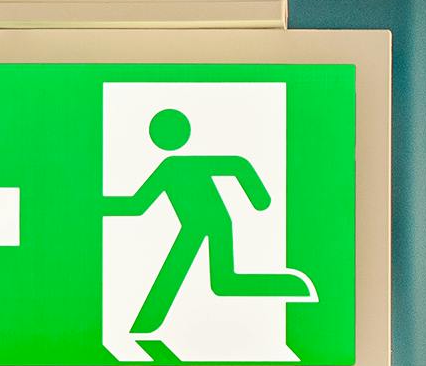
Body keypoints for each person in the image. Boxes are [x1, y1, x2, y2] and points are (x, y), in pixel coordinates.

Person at [102, 108, 312, 340]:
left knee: (218, 280)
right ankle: (145, 325)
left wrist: (260, 199)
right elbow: (138, 205)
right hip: (196, 225)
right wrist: (100, 206)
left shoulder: (174, 167)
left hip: (213, 223)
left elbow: (237, 165)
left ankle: (145, 325)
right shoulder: (169, 168)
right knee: (223, 282)